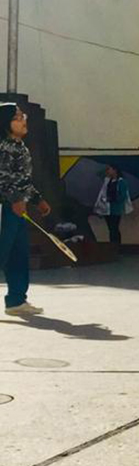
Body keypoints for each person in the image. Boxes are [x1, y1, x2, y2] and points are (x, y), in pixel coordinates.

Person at [0, 102, 50, 318]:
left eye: (23, 116)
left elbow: (23, 180)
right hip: (6, 208)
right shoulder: (3, 147)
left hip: (18, 209)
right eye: (17, 117)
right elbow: (2, 178)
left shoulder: (20, 147)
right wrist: (14, 200)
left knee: (18, 255)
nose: (23, 120)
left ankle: (16, 301)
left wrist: (38, 199)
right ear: (6, 122)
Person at [93, 164, 131, 246]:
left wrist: (112, 199)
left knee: (114, 228)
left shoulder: (121, 182)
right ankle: (112, 244)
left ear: (115, 170)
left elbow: (122, 196)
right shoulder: (108, 181)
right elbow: (98, 173)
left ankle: (116, 245)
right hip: (107, 209)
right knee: (111, 228)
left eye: (109, 169)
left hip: (116, 209)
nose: (107, 171)